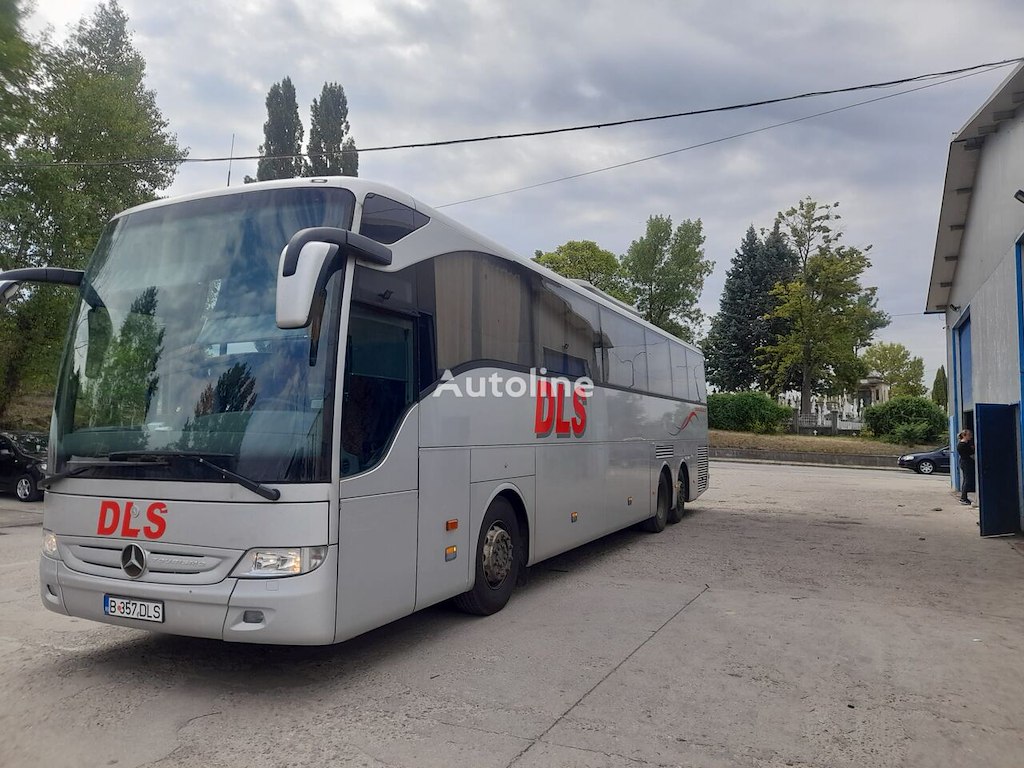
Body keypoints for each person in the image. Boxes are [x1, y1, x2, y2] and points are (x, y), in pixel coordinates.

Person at [957, 429, 975, 505]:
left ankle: (964, 497)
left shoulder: (964, 444)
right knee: (967, 480)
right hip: (965, 462)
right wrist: (972, 448)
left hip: (965, 462)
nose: (970, 437)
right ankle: (963, 498)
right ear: (964, 435)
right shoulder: (962, 445)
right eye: (969, 435)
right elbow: (970, 452)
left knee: (966, 480)